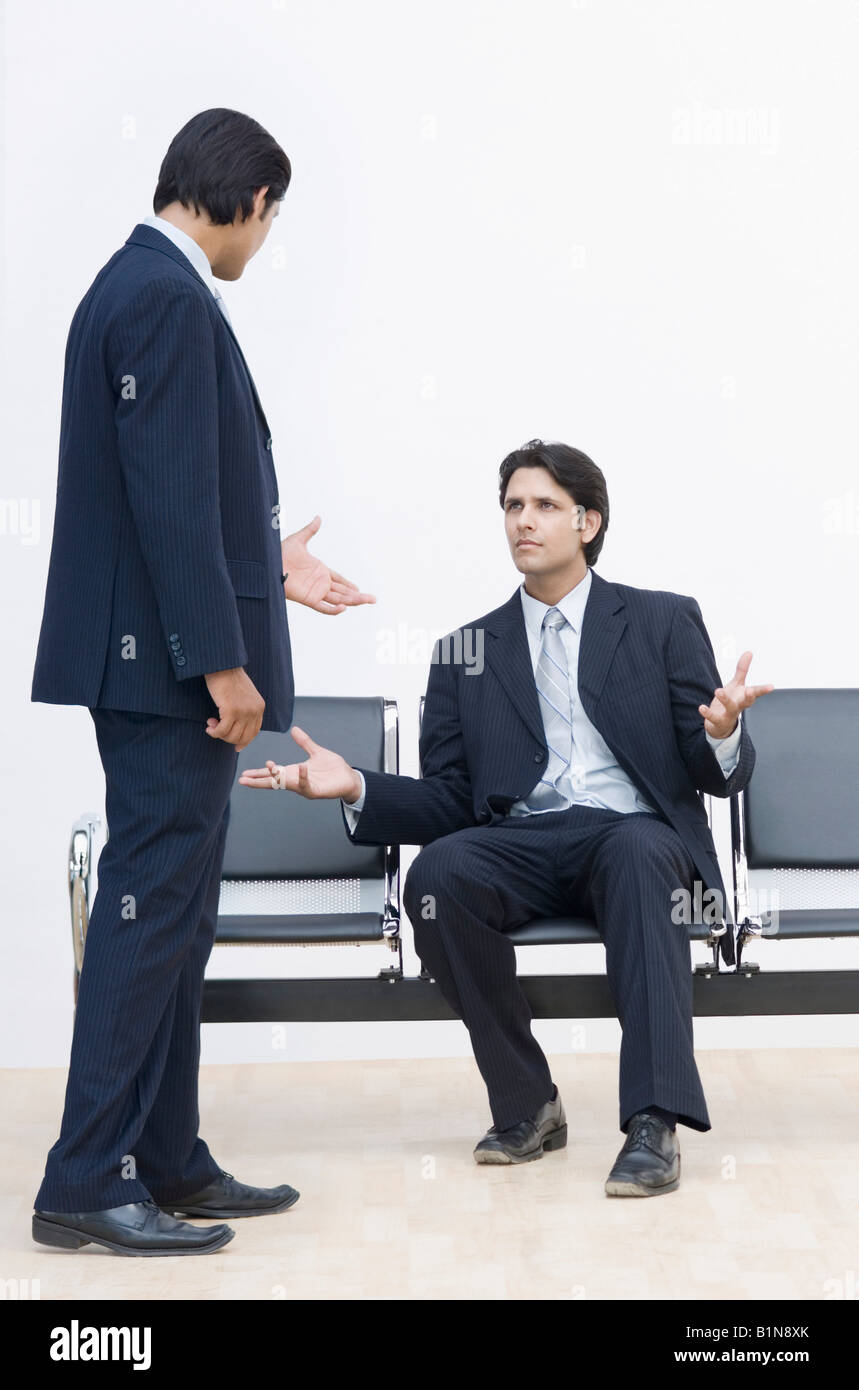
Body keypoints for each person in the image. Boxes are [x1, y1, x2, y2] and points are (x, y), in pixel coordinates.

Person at [240, 439, 773, 1197]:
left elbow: (705, 772)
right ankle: (528, 1105)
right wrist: (358, 785)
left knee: (636, 855)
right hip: (518, 842)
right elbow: (453, 800)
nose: (524, 521)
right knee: (441, 874)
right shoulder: (465, 651)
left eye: (546, 506)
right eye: (513, 506)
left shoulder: (659, 621)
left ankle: (654, 1121)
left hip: (629, 835)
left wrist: (720, 736)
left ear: (587, 522)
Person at [30, 107, 374, 1256]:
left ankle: (167, 1156)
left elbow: (158, 494)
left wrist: (270, 566)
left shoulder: (132, 290)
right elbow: (171, 503)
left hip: (149, 656)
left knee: (174, 919)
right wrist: (223, 662)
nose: (263, 240)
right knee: (145, 917)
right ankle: (84, 1177)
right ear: (244, 199)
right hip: (169, 674)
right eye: (269, 218)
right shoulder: (167, 298)